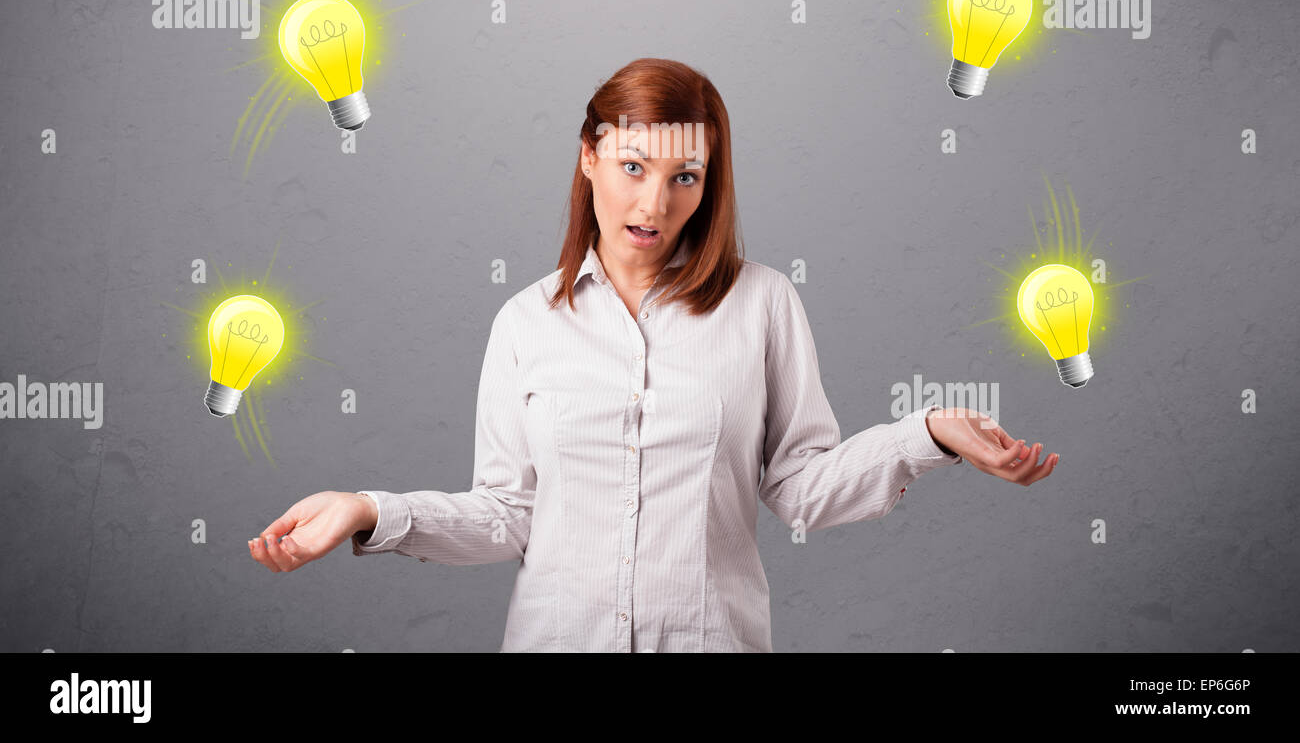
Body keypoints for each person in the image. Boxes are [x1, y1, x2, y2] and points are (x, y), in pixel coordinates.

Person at [248, 57, 1058, 651]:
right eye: (632, 166)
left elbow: (801, 489)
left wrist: (929, 434)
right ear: (589, 157)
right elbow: (508, 514)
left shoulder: (765, 303)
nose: (653, 201)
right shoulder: (525, 321)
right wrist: (369, 509)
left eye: (684, 176)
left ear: (710, 184)